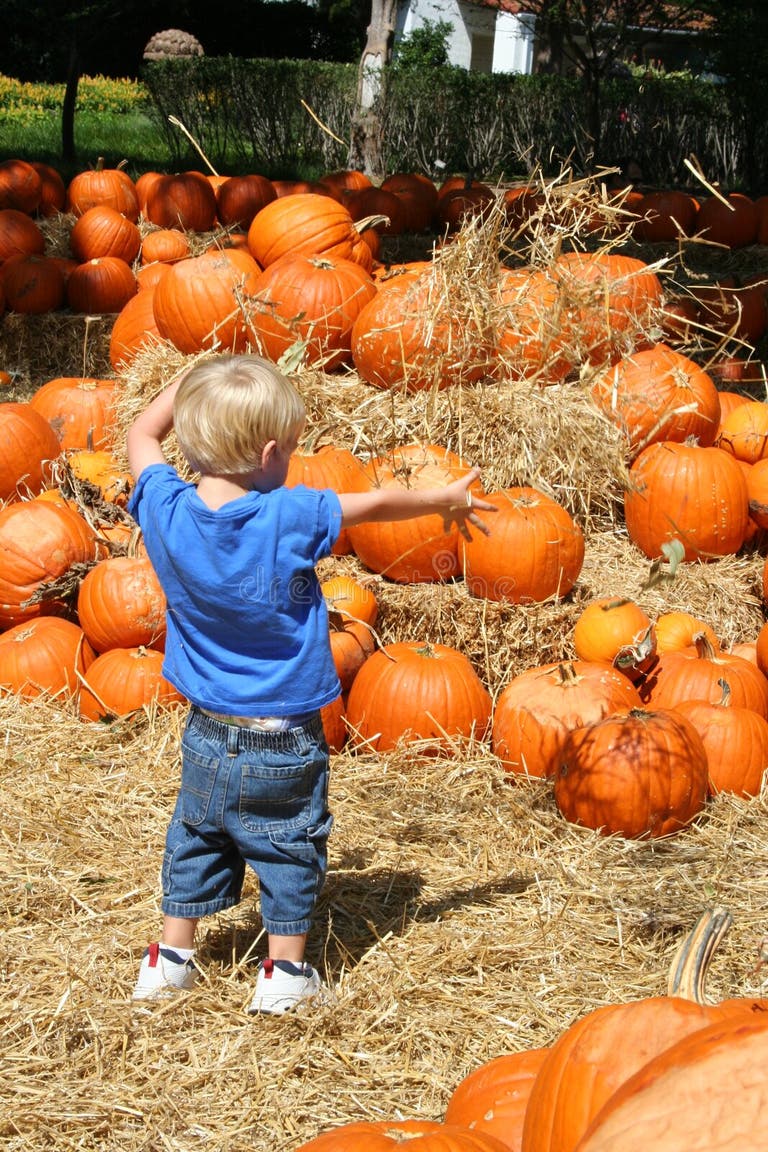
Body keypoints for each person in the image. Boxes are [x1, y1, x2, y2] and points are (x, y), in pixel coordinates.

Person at [126, 353, 494, 1015]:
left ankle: (170, 960)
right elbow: (377, 503)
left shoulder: (165, 507)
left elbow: (140, 435)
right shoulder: (288, 516)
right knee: (289, 846)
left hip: (207, 730)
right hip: (284, 735)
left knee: (197, 834)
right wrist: (445, 498)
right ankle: (284, 971)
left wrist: (185, 383)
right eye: (290, 450)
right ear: (269, 453)